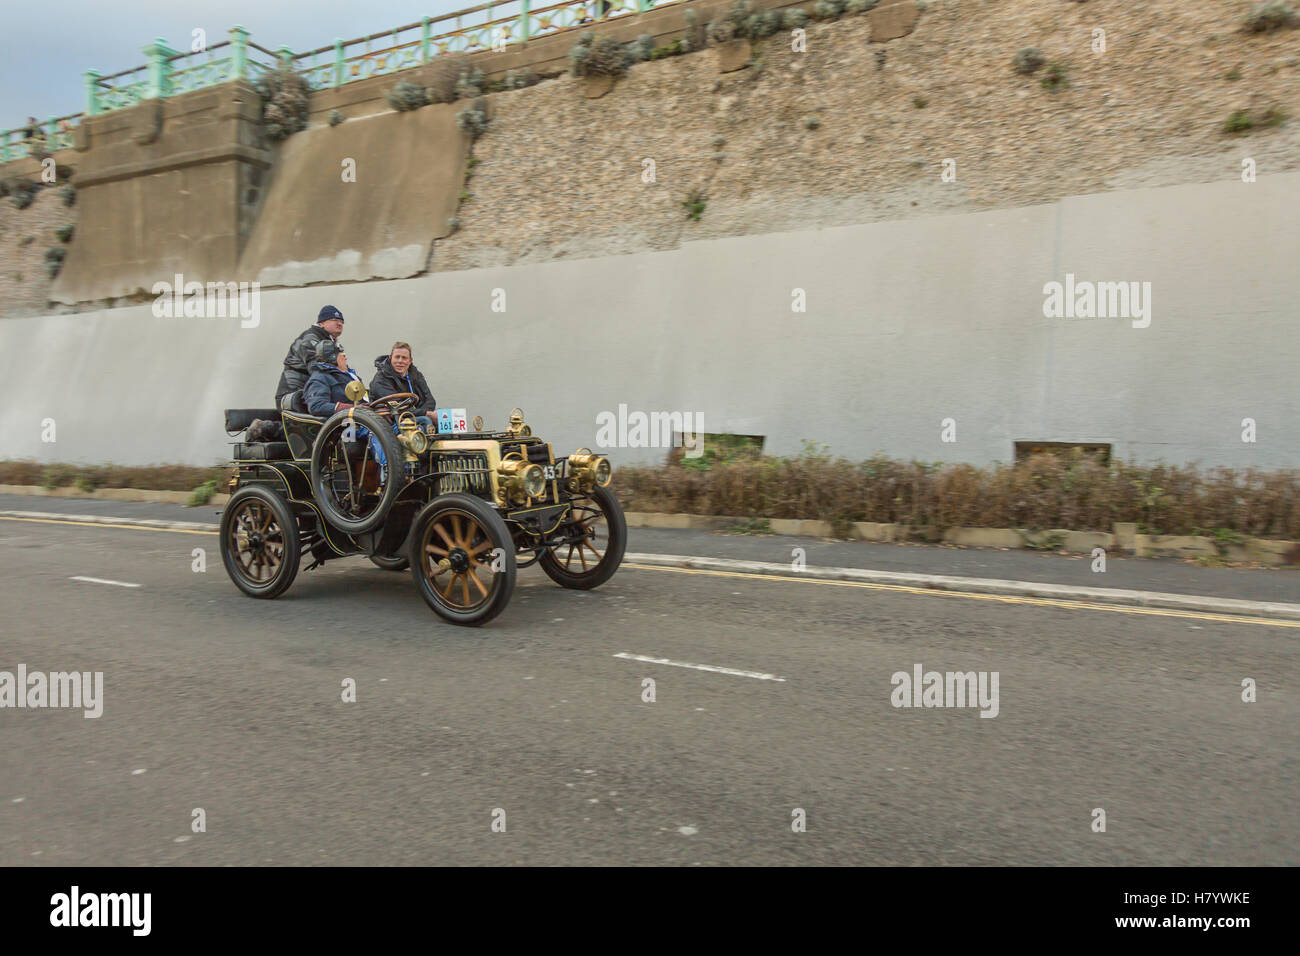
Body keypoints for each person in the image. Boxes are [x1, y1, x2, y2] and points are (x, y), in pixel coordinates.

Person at [275, 305, 345, 409]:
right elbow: (318, 370)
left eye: (341, 321)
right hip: (292, 396)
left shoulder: (329, 342)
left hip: (310, 394)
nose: (339, 324)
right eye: (334, 320)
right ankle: (266, 425)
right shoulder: (310, 339)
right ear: (321, 323)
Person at [369, 341, 436, 430]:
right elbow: (397, 408)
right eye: (397, 357)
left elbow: (430, 400)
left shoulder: (415, 374)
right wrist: (425, 413)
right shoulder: (380, 379)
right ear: (390, 358)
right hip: (389, 423)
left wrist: (428, 413)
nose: (400, 361)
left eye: (404, 358)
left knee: (443, 418)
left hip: (413, 416)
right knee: (425, 420)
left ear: (410, 360)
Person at [303, 339, 366, 416]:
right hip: (343, 424)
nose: (345, 358)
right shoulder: (319, 378)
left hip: (361, 418)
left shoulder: (349, 376)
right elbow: (316, 406)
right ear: (333, 358)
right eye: (343, 355)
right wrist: (352, 408)